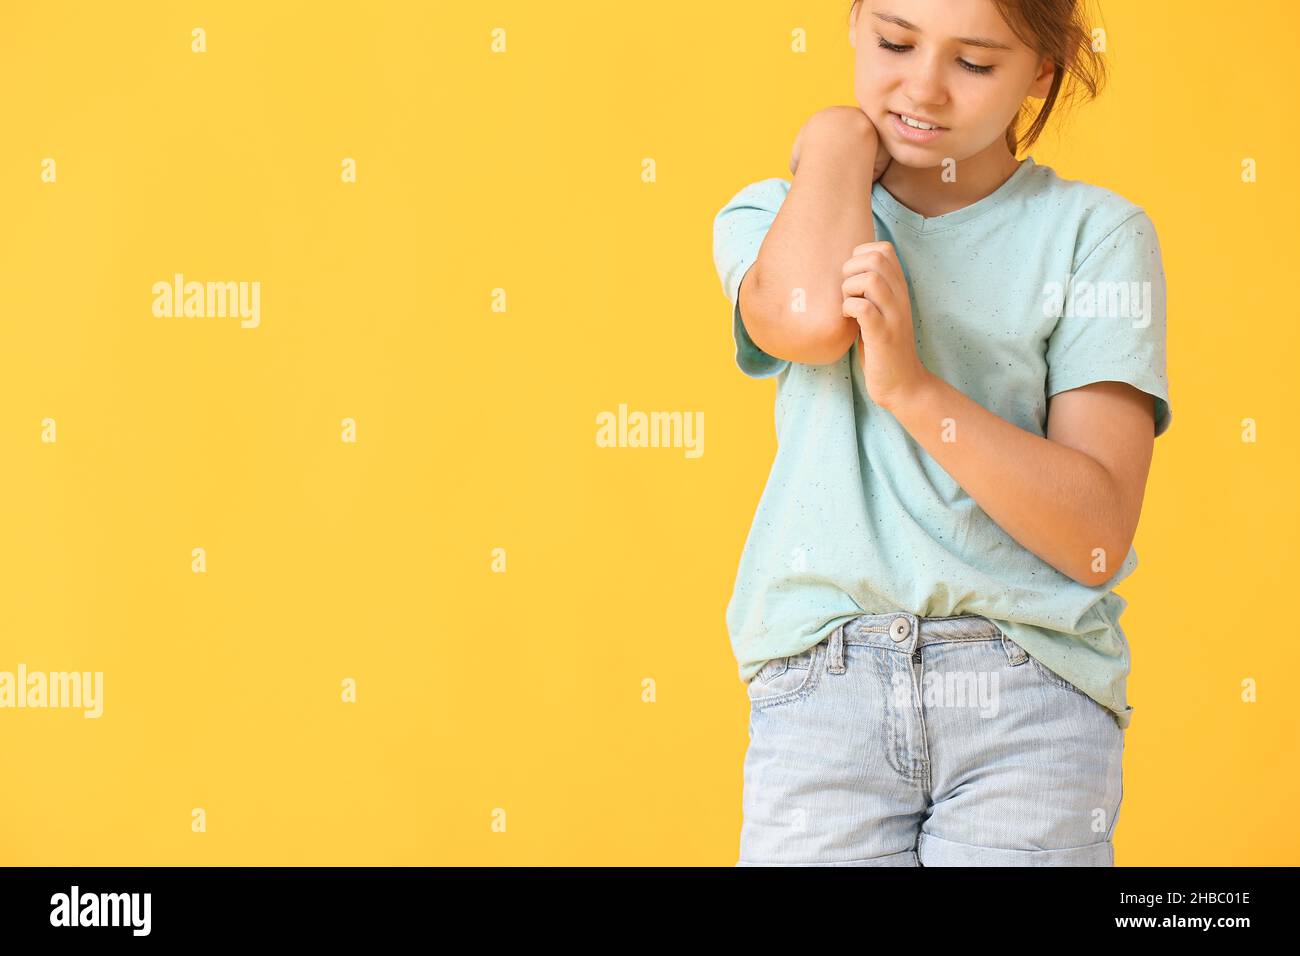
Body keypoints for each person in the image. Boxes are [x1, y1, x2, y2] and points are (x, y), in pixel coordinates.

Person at [712, 0, 1171, 866]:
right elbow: (807, 324)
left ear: (1042, 72)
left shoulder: (1094, 237)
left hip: (1028, 690)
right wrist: (837, 140)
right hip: (822, 690)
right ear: (852, 25)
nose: (921, 86)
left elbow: (1098, 537)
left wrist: (913, 389)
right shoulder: (779, 215)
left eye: (976, 62)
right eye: (893, 41)